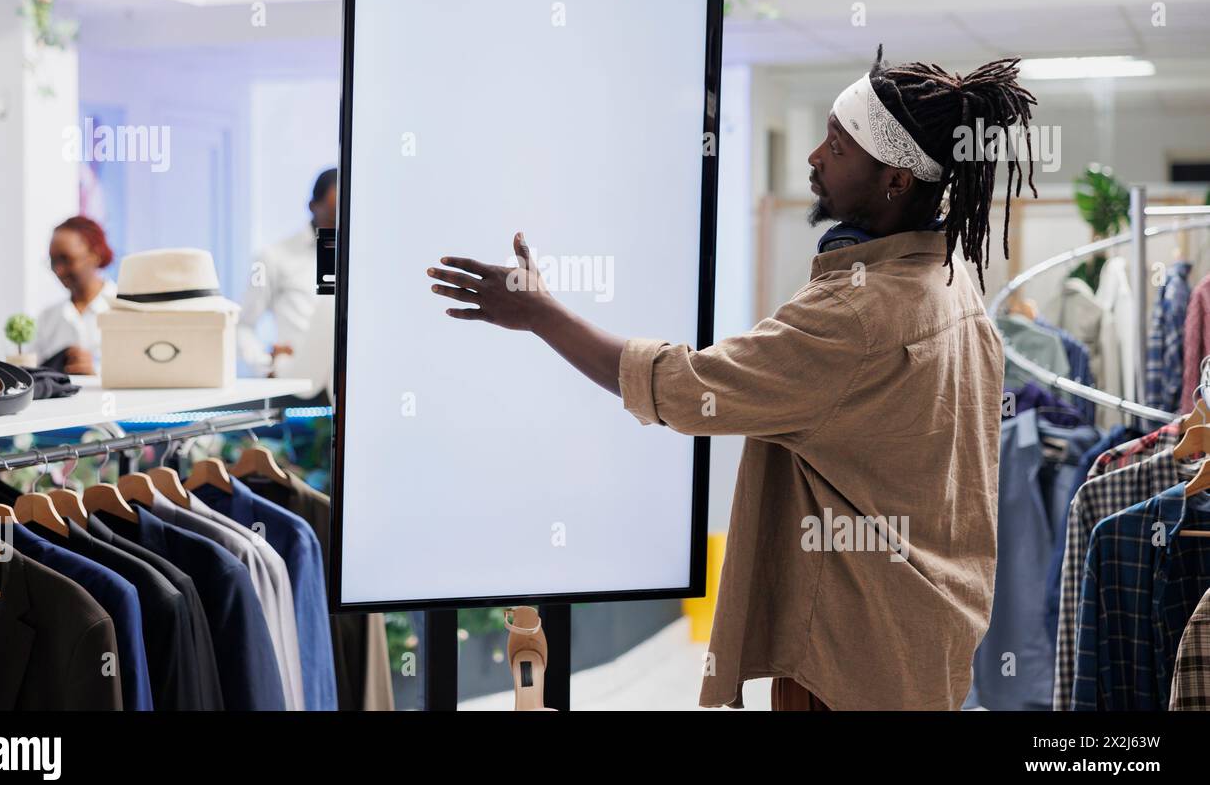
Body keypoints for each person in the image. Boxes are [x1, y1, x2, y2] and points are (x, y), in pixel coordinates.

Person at [425, 45, 1039, 711]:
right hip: (928, 640)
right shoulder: (952, 280)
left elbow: (682, 387)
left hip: (849, 656)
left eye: (838, 145)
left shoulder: (855, 316)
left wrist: (542, 315)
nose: (814, 157)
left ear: (895, 180)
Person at [238, 168, 337, 374]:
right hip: (297, 390)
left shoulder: (364, 262)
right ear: (312, 206)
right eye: (332, 217)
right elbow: (242, 326)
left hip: (350, 388)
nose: (338, 227)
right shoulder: (274, 257)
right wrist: (265, 362)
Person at [34, 215, 116, 374]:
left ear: (95, 255)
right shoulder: (47, 318)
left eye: (66, 259)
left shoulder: (126, 311)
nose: (59, 270)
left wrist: (97, 371)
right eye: (53, 262)